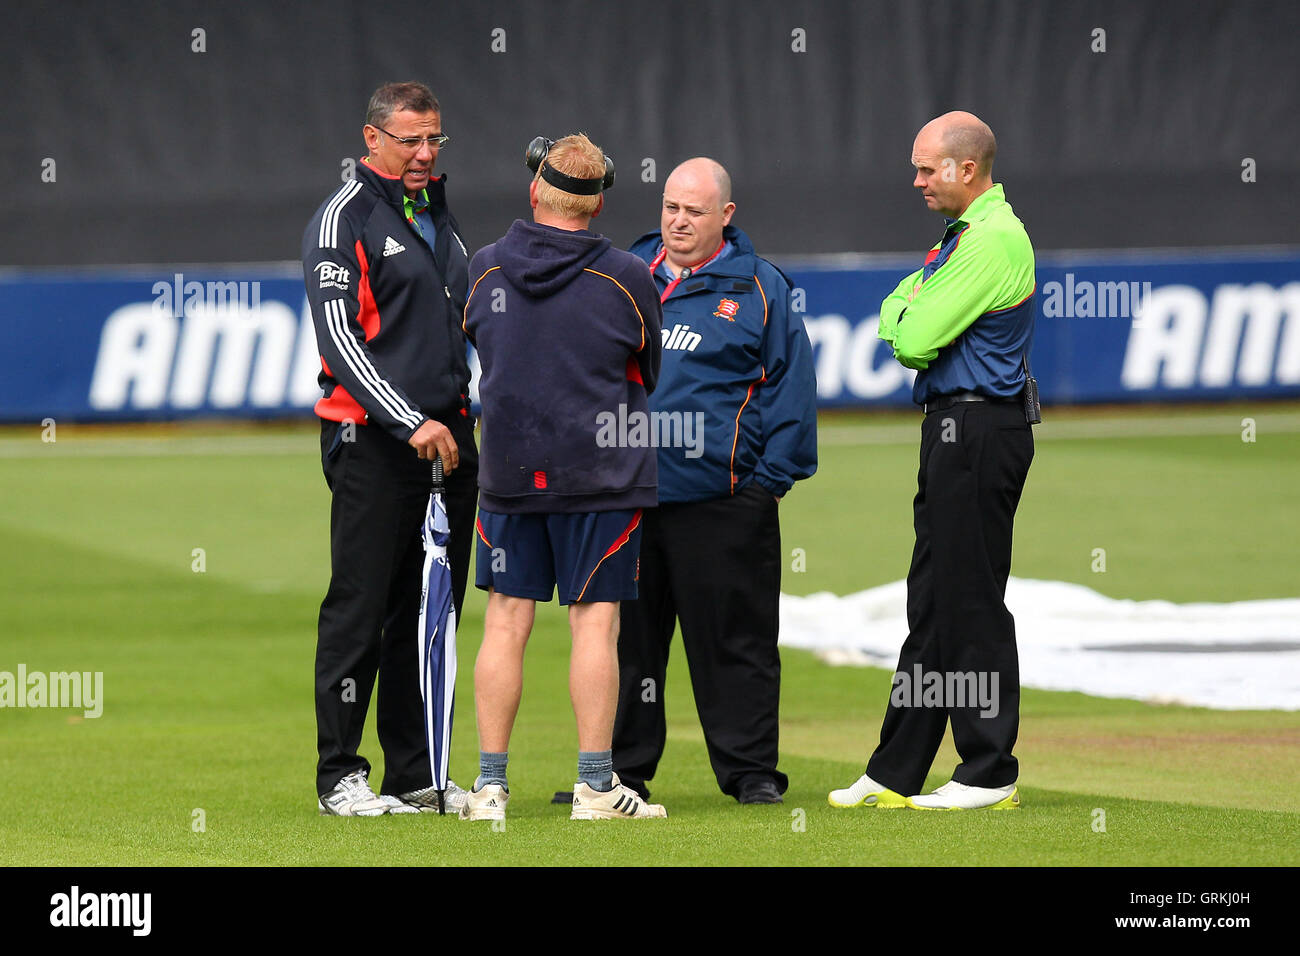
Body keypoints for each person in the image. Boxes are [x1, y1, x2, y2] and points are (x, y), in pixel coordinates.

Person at [829, 111, 1037, 812]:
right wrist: (905, 313)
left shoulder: (992, 241)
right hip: (955, 428)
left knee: (970, 599)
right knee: (933, 601)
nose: (916, 180)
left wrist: (906, 316)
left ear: (966, 169)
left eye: (926, 167)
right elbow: (895, 309)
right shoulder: (962, 236)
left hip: (981, 428)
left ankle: (989, 770)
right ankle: (896, 768)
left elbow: (912, 335)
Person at [461, 133, 667, 822]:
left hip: (510, 472)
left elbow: (484, 350)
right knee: (595, 625)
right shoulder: (628, 275)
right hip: (602, 473)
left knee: (504, 623)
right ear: (598, 202)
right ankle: (595, 788)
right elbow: (647, 366)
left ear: (534, 192)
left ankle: (489, 789)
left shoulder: (486, 269)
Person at [611, 158, 818, 805]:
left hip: (724, 503)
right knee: (625, 649)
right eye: (670, 207)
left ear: (726, 216)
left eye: (693, 211)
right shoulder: (623, 277)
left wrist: (767, 484)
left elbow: (792, 388)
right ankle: (617, 775)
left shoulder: (760, 288)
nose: (677, 220)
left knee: (736, 644)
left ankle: (750, 772)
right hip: (628, 499)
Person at [303, 81, 478, 816]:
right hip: (374, 439)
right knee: (361, 605)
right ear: (372, 139)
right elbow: (339, 340)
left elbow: (463, 317)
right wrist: (410, 420)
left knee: (428, 609)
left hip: (448, 440)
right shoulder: (343, 217)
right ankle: (340, 775)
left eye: (434, 138)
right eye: (411, 140)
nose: (425, 153)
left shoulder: (435, 211)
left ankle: (416, 773)